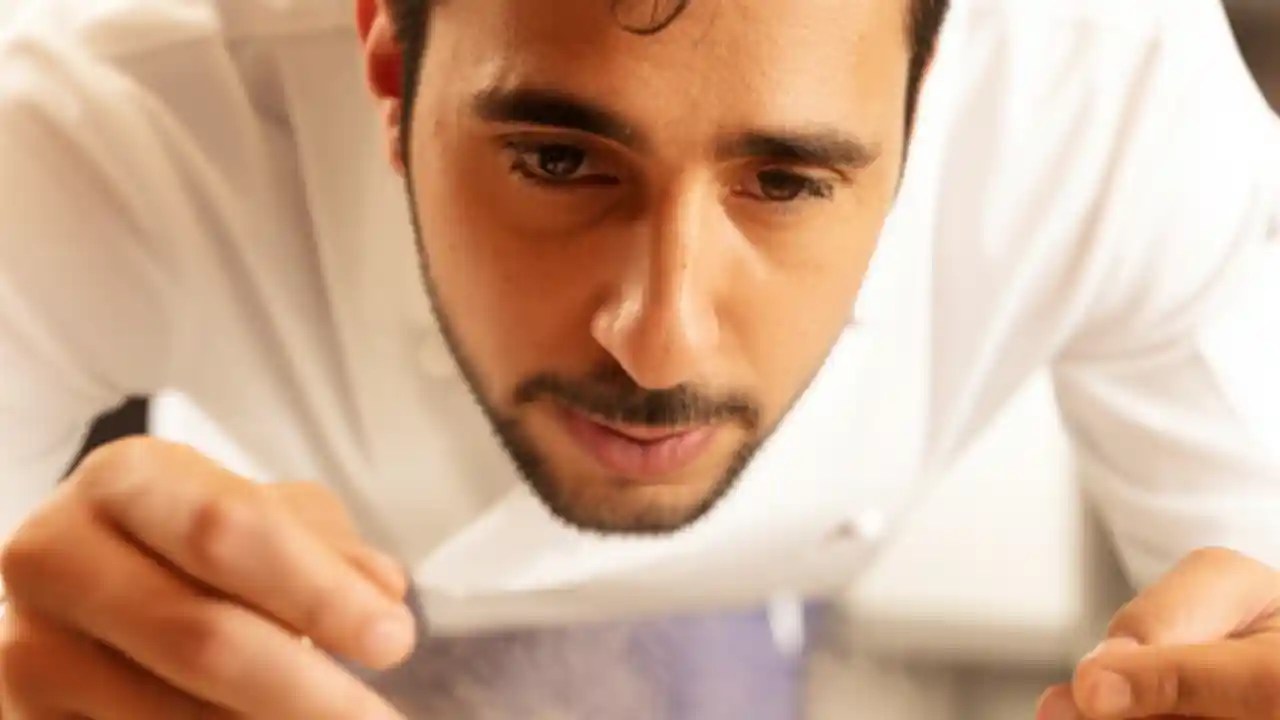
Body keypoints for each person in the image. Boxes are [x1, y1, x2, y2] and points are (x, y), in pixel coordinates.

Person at [0, 0, 1277, 717]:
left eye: (782, 180)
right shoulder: (91, 131)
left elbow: (1251, 587)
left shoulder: (1122, 119)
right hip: (279, 621)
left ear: (920, 94)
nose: (658, 342)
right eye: (556, 160)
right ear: (388, 65)